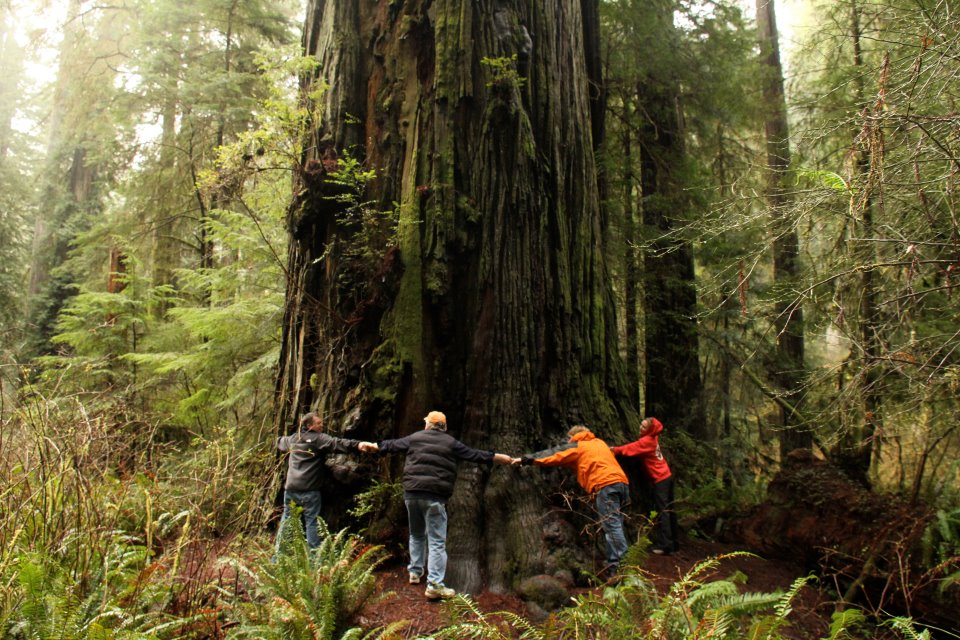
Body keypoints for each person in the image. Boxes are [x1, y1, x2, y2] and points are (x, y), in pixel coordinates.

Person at [358, 411, 513, 600]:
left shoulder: (415, 438)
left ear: (428, 425)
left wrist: (374, 446)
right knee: (437, 540)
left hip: (412, 495)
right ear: (443, 427)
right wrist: (499, 457)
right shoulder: (450, 443)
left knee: (416, 533)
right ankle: (435, 584)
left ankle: (415, 572)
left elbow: (393, 445)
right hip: (434, 497)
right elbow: (475, 455)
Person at [516, 425, 630, 574]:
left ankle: (622, 568)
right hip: (622, 484)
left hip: (605, 485)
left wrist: (526, 459)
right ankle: (615, 563)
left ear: (573, 436)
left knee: (612, 527)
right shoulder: (600, 443)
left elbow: (554, 455)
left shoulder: (578, 446)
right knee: (616, 524)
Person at [276, 412, 361, 553]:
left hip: (291, 489)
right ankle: (314, 560)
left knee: (287, 523)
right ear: (309, 426)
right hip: (309, 491)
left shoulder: (293, 439)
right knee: (312, 523)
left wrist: (279, 440)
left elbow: (280, 442)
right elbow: (337, 443)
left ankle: (278, 557)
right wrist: (358, 445)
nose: (322, 425)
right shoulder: (318, 439)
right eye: (318, 423)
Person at [611, 416, 678, 555]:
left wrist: (614, 450)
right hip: (667, 476)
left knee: (664, 512)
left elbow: (630, 448)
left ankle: (666, 546)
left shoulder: (647, 441)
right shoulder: (653, 437)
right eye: (641, 425)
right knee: (669, 511)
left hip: (661, 480)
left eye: (644, 427)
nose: (640, 428)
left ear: (650, 430)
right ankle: (673, 543)